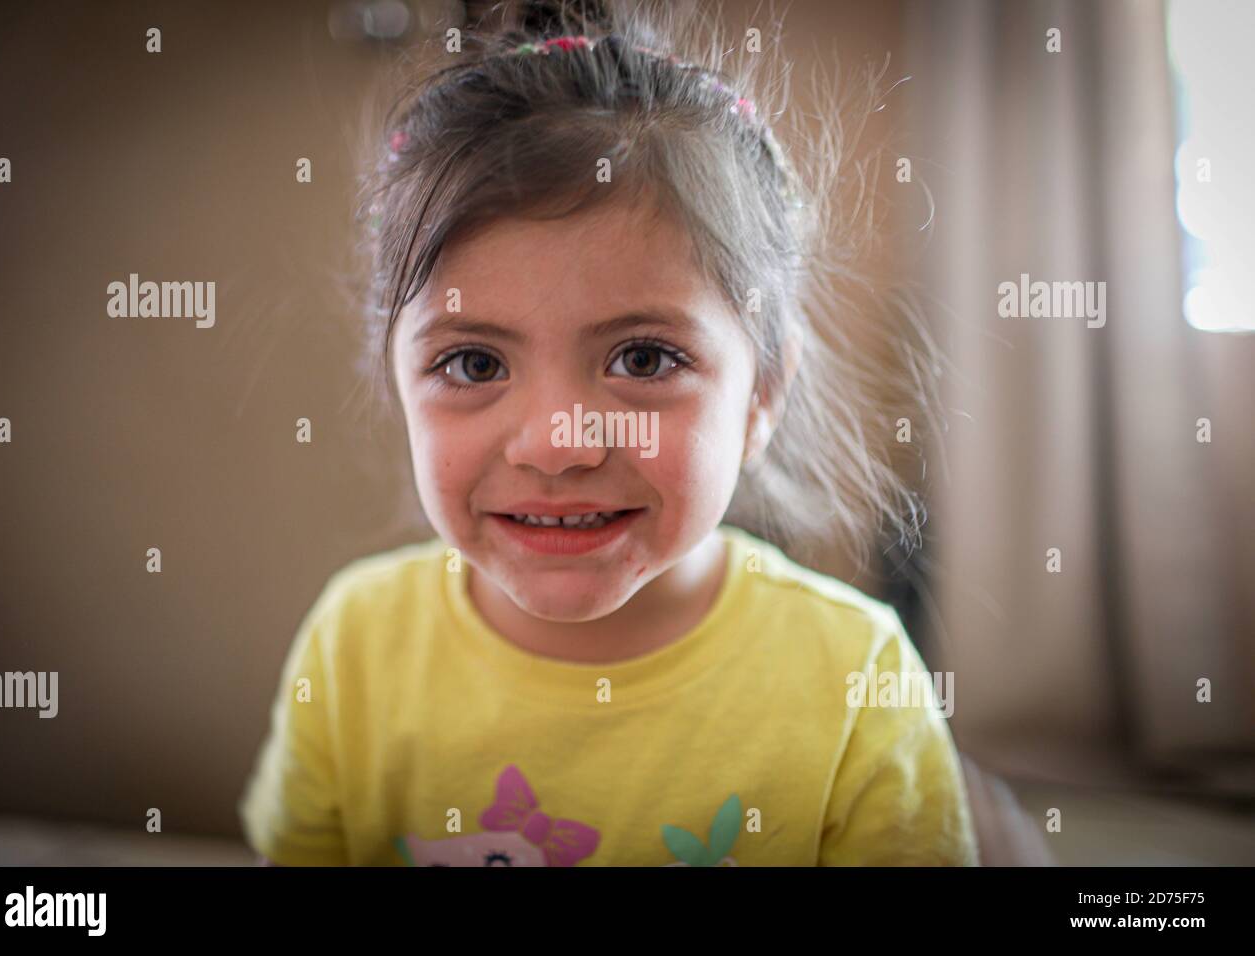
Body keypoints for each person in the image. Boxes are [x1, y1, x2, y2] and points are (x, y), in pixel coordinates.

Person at [238, 0, 978, 866]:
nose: (558, 443)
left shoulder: (855, 679)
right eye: (475, 365)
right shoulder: (356, 647)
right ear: (398, 383)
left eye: (644, 359)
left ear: (761, 394)